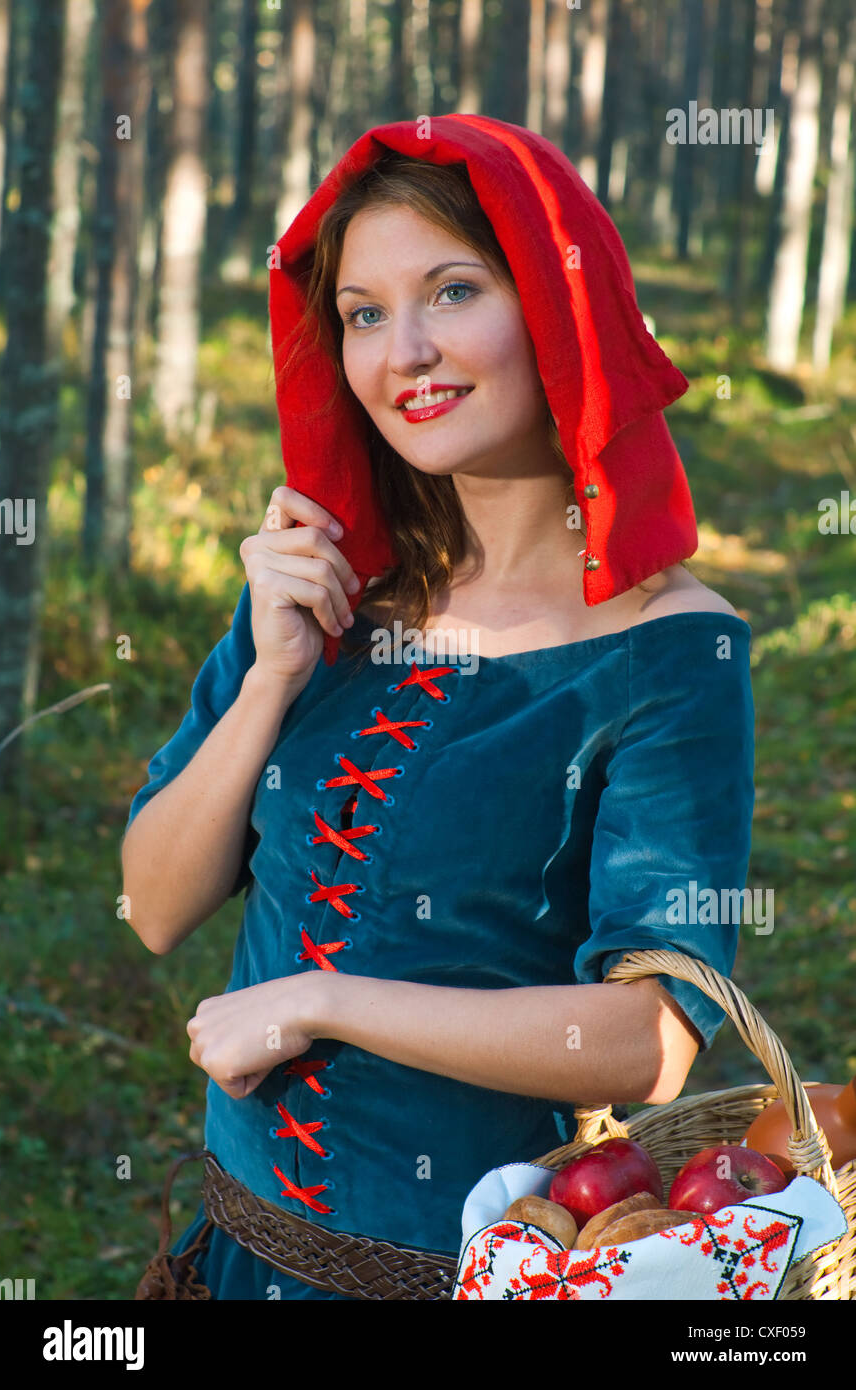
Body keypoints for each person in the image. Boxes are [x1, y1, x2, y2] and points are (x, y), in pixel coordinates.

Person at [121, 115, 755, 1301]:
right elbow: (154, 905)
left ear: (557, 310)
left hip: (463, 1275)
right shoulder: (331, 589)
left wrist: (324, 1002)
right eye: (361, 312)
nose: (401, 351)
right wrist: (268, 680)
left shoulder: (671, 650)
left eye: (451, 290)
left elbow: (650, 1037)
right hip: (227, 1263)